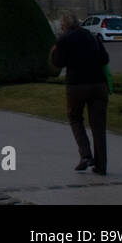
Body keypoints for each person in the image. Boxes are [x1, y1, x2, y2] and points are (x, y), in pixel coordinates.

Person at [50, 11, 110, 175]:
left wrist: (54, 51)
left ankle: (85, 155)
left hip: (77, 86)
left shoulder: (63, 39)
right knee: (98, 125)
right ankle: (101, 165)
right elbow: (105, 59)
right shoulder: (92, 36)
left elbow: (57, 63)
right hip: (99, 85)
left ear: (63, 26)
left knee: (75, 118)